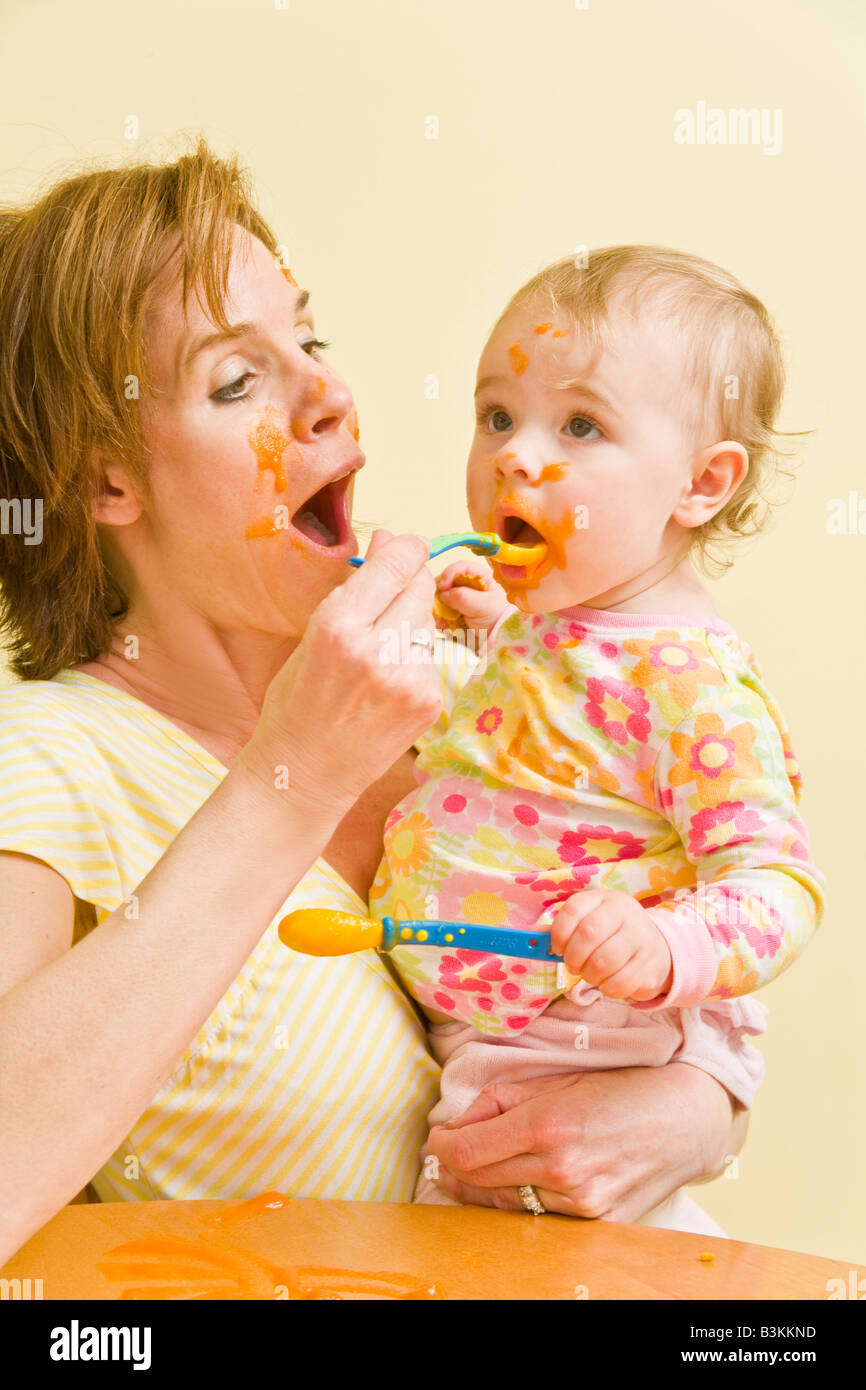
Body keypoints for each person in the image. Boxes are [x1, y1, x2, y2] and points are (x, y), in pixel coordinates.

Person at [0, 144, 752, 1263]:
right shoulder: (49, 759)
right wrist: (284, 779)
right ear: (108, 478)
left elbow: (694, 913)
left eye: (308, 341)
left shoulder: (477, 690)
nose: (328, 395)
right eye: (236, 381)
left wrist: (701, 1106)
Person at [372, 246, 824, 1231]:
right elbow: (526, 763)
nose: (515, 456)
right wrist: (473, 640)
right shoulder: (542, 628)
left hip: (595, 1068)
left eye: (579, 424)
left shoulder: (688, 683)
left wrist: (663, 945)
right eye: (497, 414)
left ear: (699, 484)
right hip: (482, 1058)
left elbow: (779, 887)